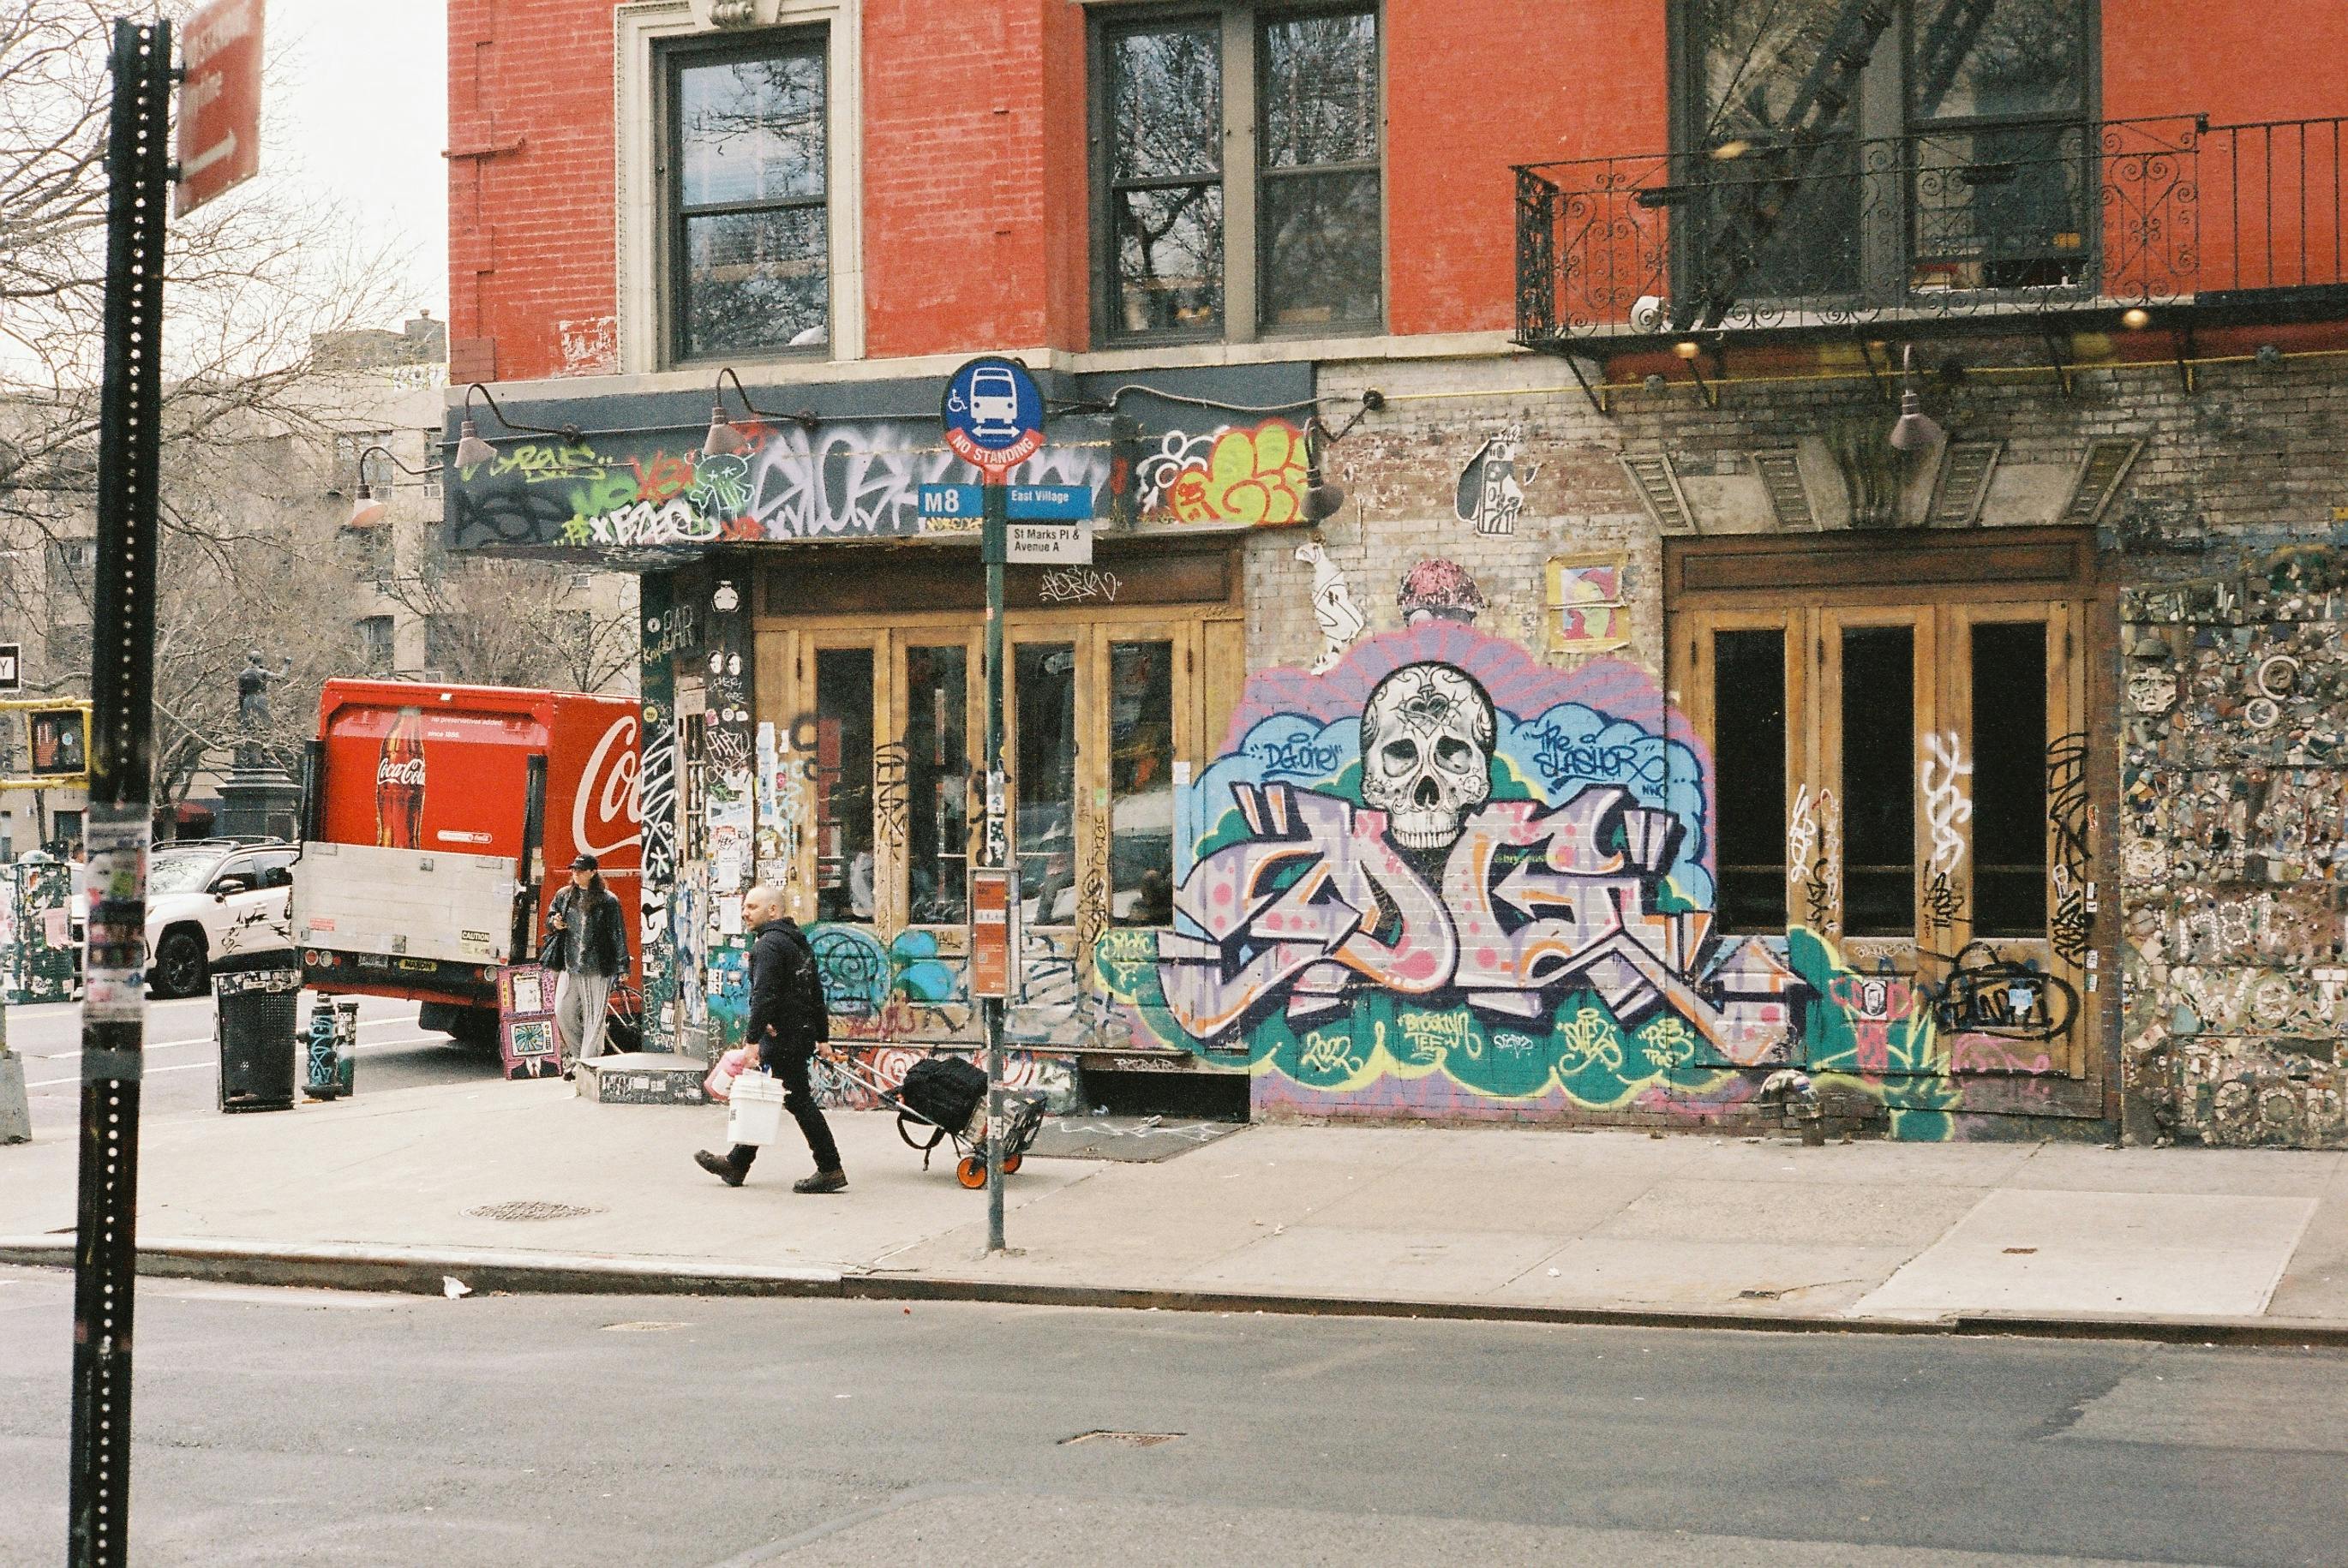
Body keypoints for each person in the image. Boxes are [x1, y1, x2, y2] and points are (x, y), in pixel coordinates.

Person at [695, 884, 846, 1194]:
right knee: (765, 1095)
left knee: (798, 1101)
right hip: (798, 1033)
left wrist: (751, 1041)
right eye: (745, 906)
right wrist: (822, 1037)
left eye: (752, 907)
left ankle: (830, 1167)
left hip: (784, 1036)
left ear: (773, 910)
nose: (745, 912)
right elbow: (815, 993)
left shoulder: (769, 946)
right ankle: (738, 1163)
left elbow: (764, 995)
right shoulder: (798, 942)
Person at [544, 853, 629, 1072]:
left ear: (593, 872)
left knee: (595, 1017)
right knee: (562, 1010)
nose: (576, 874)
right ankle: (580, 1055)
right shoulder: (564, 896)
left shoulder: (608, 900)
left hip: (598, 966)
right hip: (569, 964)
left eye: (581, 870)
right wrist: (555, 922)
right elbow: (549, 917)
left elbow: (617, 933)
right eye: (574, 870)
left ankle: (585, 1064)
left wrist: (622, 966)